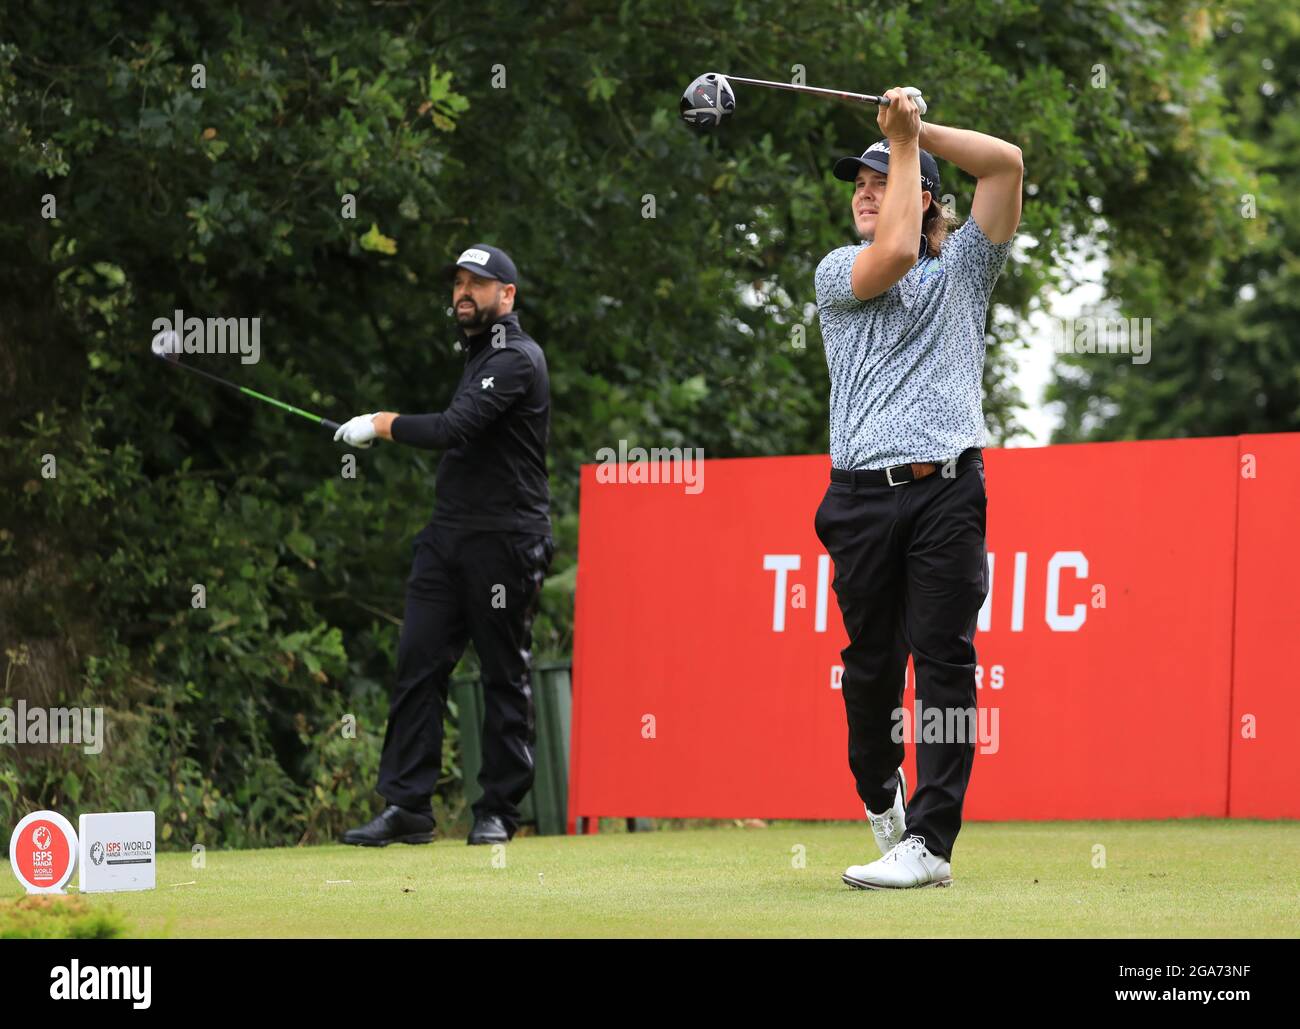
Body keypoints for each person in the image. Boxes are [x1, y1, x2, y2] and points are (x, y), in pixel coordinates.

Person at [812, 89, 1022, 888]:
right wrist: (899, 145)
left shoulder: (966, 267)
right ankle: (880, 793)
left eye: (880, 178)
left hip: (948, 492)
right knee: (870, 671)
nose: (865, 191)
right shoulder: (841, 271)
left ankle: (931, 842)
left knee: (944, 662)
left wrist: (917, 133)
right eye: (858, 183)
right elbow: (896, 252)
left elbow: (1006, 165)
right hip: (861, 499)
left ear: (926, 194)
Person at [335, 243, 554, 847]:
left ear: (506, 297)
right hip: (448, 537)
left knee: (502, 674)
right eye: (458, 282)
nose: (464, 292)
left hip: (507, 542)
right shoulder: (479, 355)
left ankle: (498, 812)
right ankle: (407, 805)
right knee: (418, 664)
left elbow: (454, 427)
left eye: (477, 284)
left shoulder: (515, 357)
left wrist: (382, 423)